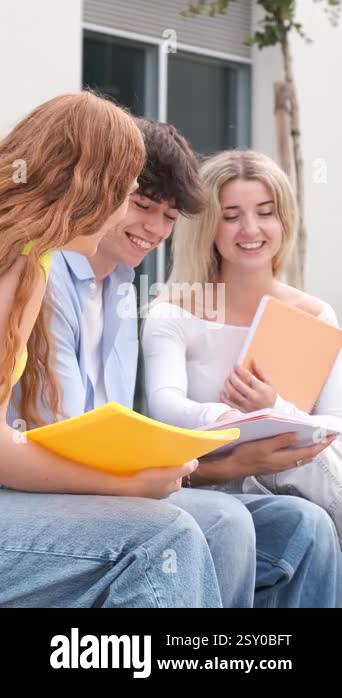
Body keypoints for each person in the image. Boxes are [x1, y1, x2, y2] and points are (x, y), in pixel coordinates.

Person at [0, 93, 225, 609]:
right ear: (86, 185)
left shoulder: (32, 261)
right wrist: (125, 485)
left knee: (182, 529)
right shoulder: (19, 263)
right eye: (129, 195)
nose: (137, 220)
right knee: (163, 536)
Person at [142, 149, 342, 606]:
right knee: (303, 526)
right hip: (206, 484)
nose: (250, 230)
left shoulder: (313, 315)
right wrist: (231, 414)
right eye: (231, 216)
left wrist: (274, 409)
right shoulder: (174, 312)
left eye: (265, 213)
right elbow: (165, 409)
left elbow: (334, 425)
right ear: (207, 225)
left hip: (293, 488)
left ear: (284, 220)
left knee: (309, 523)